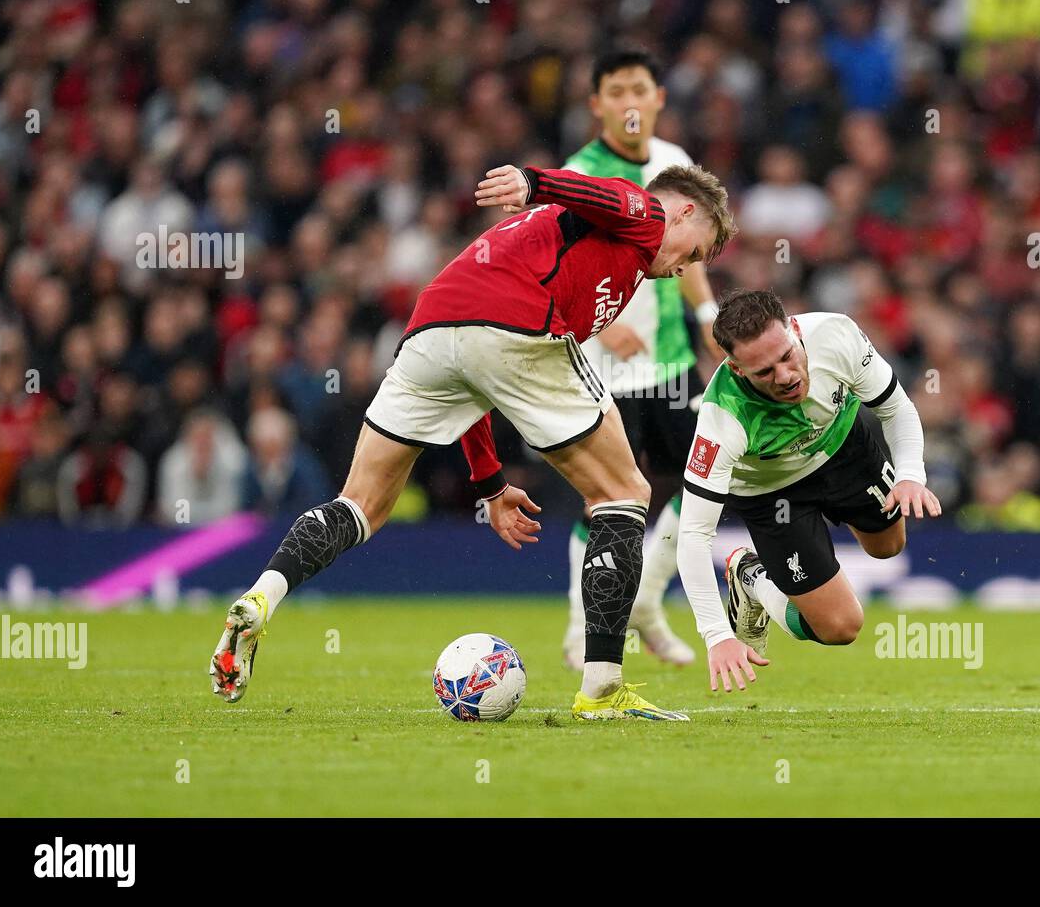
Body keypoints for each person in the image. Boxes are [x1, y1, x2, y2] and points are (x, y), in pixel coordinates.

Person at [211, 161, 736, 722]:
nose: (684, 268)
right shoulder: (646, 210)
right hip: (515, 324)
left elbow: (476, 381)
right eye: (695, 251)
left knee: (360, 504)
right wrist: (535, 181)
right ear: (684, 212)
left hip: (432, 331)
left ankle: (261, 596)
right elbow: (608, 197)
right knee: (624, 492)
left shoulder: (595, 260)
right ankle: (601, 692)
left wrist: (489, 482)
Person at [675, 290, 942, 693]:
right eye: (764, 372)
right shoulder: (721, 420)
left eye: (787, 356)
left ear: (794, 329)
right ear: (736, 369)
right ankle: (752, 578)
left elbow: (895, 408)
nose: (785, 376)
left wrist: (909, 475)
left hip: (844, 448)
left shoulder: (835, 334)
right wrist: (717, 636)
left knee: (888, 546)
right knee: (841, 628)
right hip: (770, 491)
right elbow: (693, 534)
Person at [561, 48, 724, 670]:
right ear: (597, 104)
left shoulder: (675, 165)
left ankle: (649, 602)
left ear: (659, 97)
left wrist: (707, 313)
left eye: (640, 89)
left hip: (671, 360)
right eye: (616, 91)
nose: (630, 102)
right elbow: (560, 263)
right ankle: (583, 627)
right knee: (607, 499)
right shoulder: (583, 172)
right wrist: (601, 330)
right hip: (604, 367)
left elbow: (690, 253)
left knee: (703, 482)